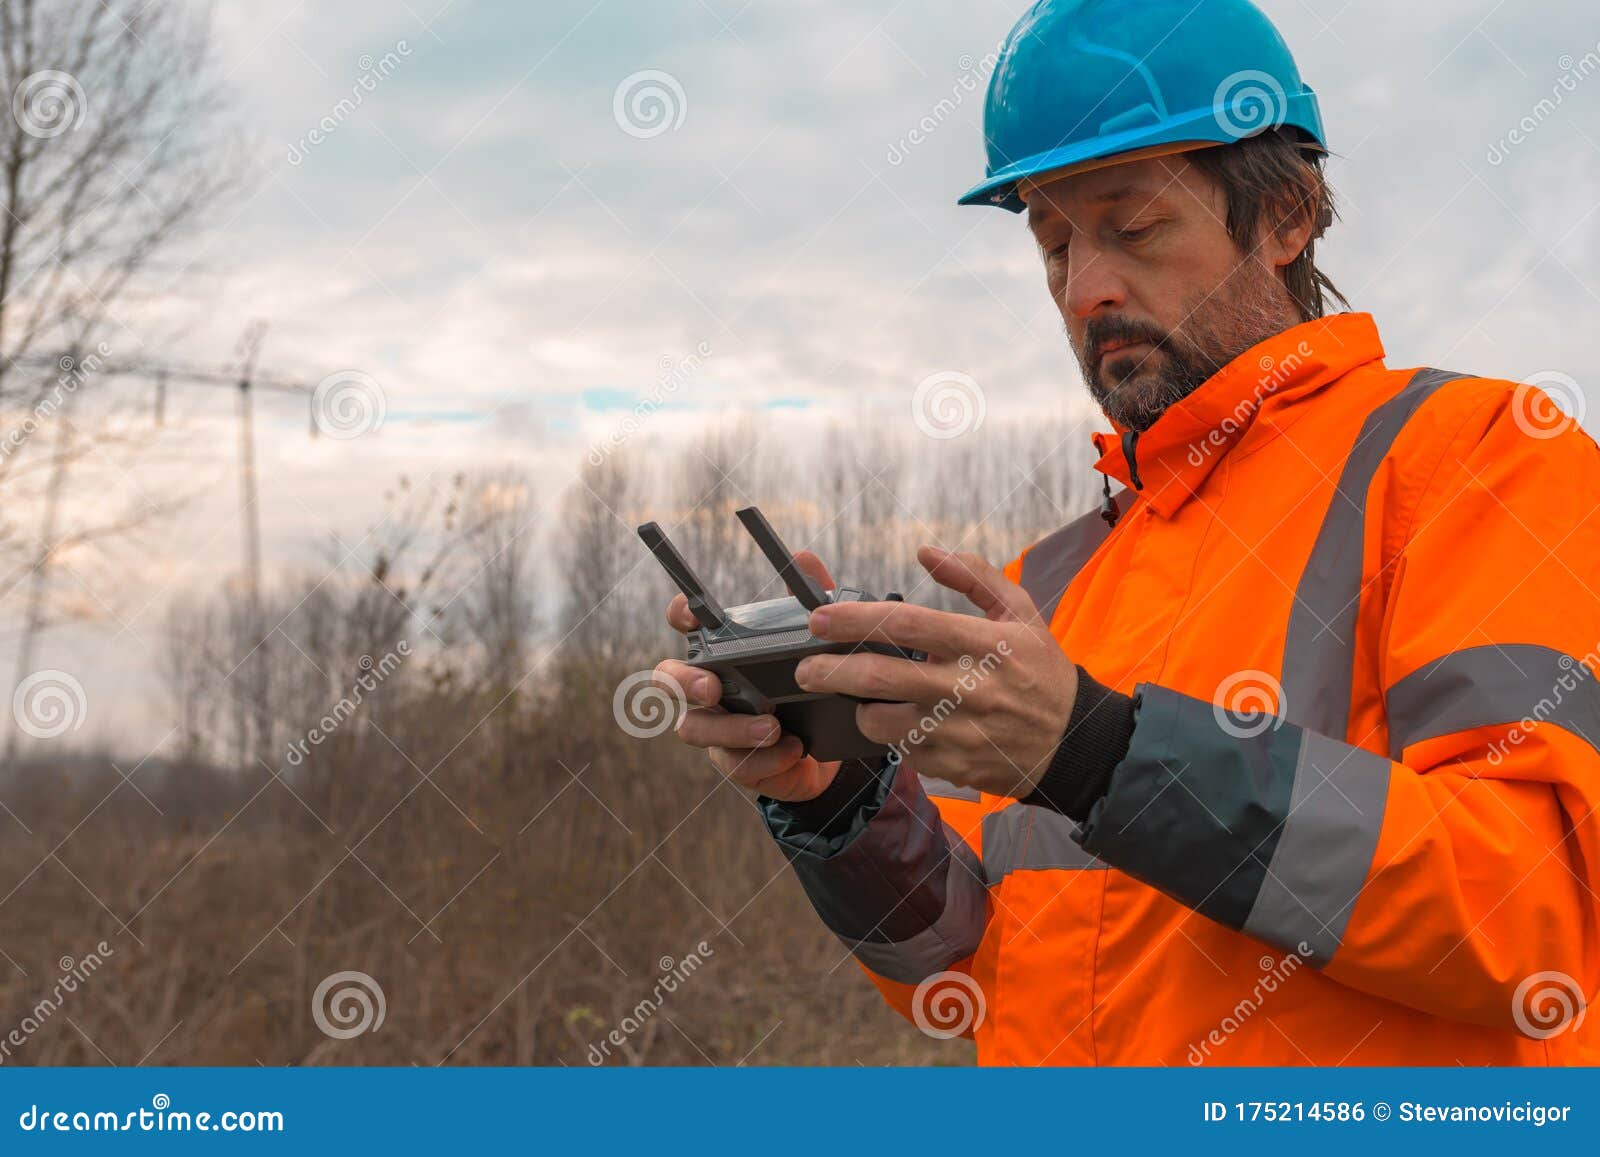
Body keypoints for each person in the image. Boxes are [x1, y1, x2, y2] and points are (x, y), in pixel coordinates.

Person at [656, 0, 1600, 1064]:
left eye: (1133, 227)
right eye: (1052, 245)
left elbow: (1539, 916)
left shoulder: (1475, 459)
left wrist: (1103, 756)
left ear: (1285, 215)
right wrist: (840, 804)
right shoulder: (1046, 586)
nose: (1085, 289)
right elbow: (965, 975)